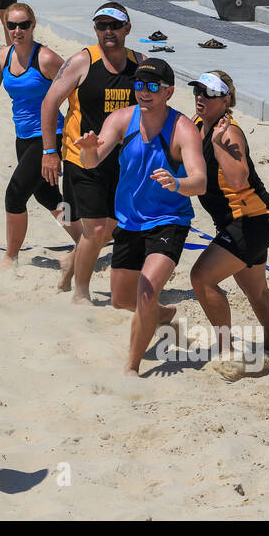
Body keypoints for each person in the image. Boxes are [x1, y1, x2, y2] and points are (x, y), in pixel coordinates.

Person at [74, 58, 206, 376]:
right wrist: (88, 149)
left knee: (146, 290)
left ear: (168, 92)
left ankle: (131, 368)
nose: (143, 92)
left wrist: (177, 183)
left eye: (151, 87)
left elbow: (199, 182)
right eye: (138, 85)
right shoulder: (121, 119)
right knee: (121, 299)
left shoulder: (183, 128)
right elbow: (91, 163)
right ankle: (160, 314)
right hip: (130, 221)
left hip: (169, 220)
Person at [40, 3, 144, 304]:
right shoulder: (81, 62)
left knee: (109, 228)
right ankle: (81, 293)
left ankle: (72, 262)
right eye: (101, 25)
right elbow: (49, 104)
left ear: (127, 28)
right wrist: (49, 151)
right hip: (82, 159)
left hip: (123, 162)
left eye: (114, 25)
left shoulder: (140, 64)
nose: (108, 31)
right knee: (96, 228)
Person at [0, 2, 84, 268]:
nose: (17, 30)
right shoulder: (2, 57)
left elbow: (77, 88)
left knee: (15, 194)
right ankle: (85, 242)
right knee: (47, 196)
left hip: (50, 136)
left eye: (23, 25)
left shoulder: (45, 58)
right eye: (11, 25)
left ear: (33, 25)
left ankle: (10, 256)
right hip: (23, 137)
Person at [186, 70, 269, 353]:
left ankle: (226, 351)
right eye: (197, 90)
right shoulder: (198, 123)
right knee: (255, 290)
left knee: (201, 277)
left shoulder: (229, 133)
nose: (200, 97)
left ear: (225, 99)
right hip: (242, 221)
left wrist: (217, 145)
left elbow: (238, 179)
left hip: (252, 221)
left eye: (209, 92)